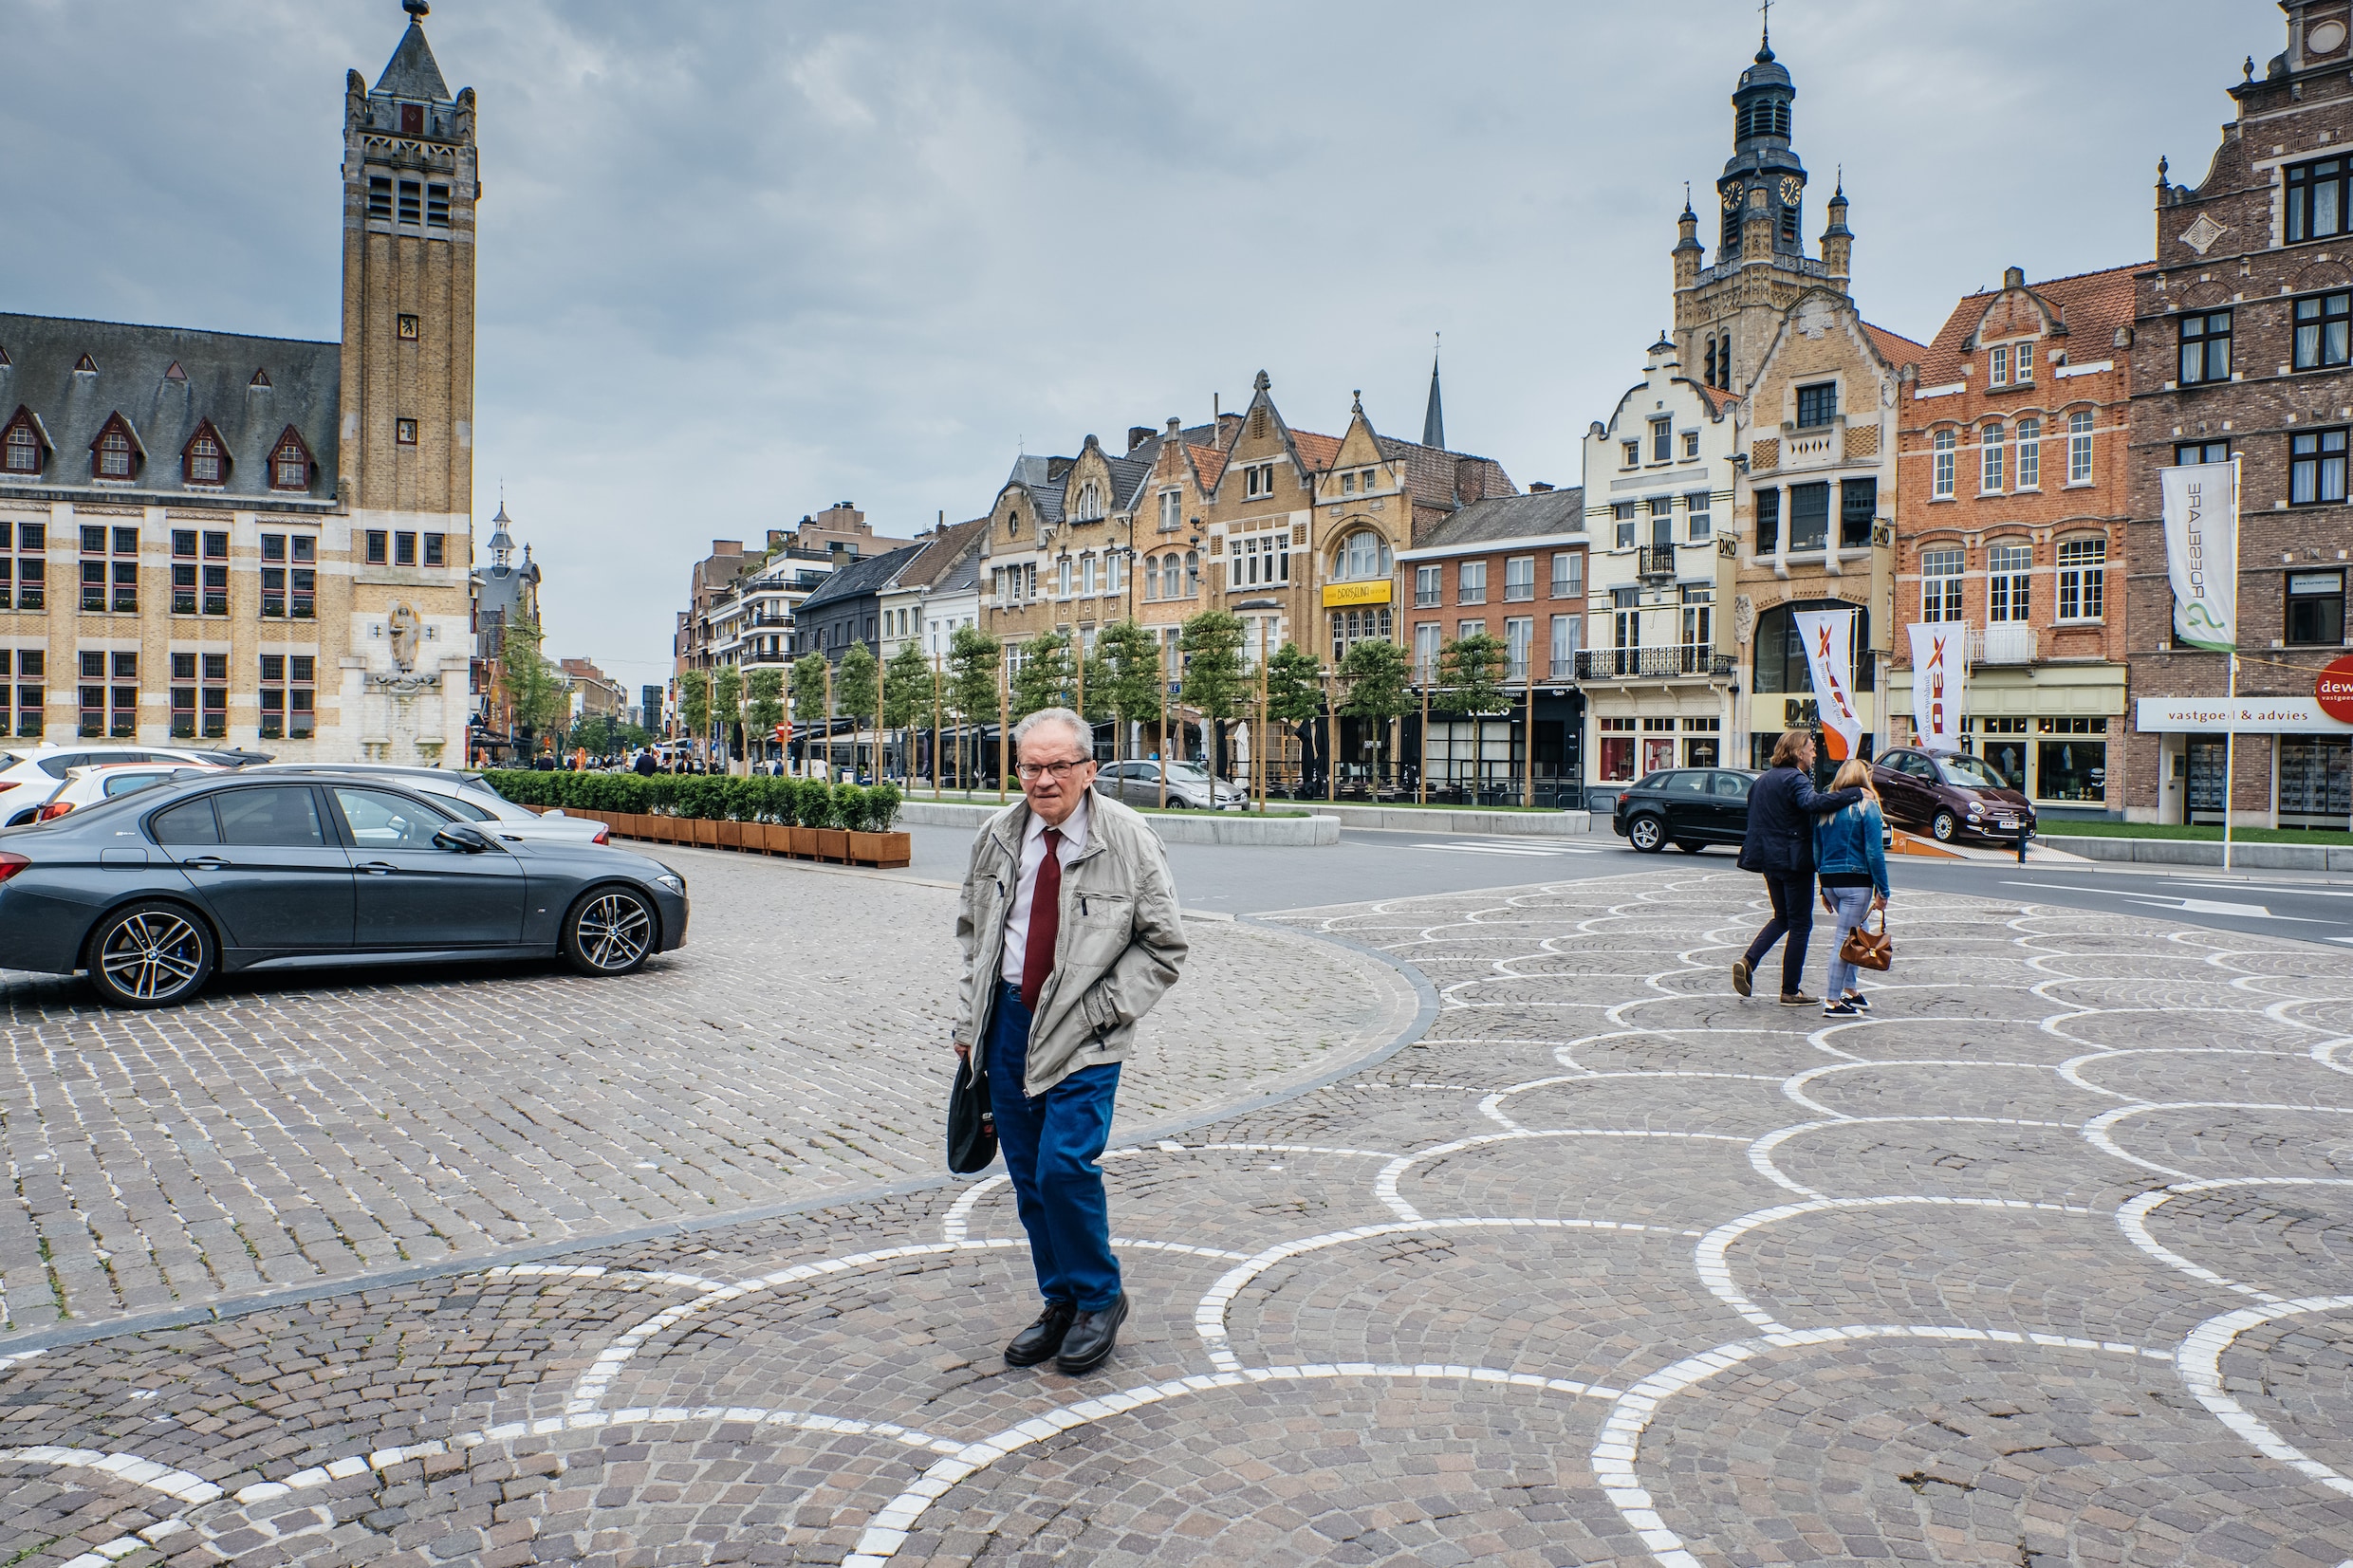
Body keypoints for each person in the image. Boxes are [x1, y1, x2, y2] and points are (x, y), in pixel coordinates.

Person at [954, 706, 1188, 1375]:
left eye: (1059, 765)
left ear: (1089, 770)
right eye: (1031, 765)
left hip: (1087, 1030)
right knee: (1028, 1177)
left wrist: (1104, 1010)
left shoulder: (1129, 839)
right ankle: (1059, 1300)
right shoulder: (998, 834)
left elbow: (1163, 946)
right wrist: (970, 1024)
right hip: (1007, 1022)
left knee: (1064, 1166)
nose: (1044, 778)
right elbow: (974, 932)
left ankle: (1099, 1297)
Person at [1733, 729, 1863, 1005]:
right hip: (1793, 861)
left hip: (1767, 860)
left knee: (1782, 917)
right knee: (1801, 924)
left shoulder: (1762, 781)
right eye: (1811, 748)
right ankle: (1790, 990)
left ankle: (1748, 961)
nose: (1814, 753)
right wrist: (1853, 794)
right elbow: (1812, 803)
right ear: (1797, 752)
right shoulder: (1795, 778)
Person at [1813, 758, 1891, 1017]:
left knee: (1858, 932)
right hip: (1856, 881)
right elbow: (1874, 852)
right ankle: (1833, 1001)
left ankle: (1851, 990)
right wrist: (1883, 889)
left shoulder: (1827, 808)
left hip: (1832, 880)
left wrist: (1823, 886)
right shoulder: (1866, 806)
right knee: (1844, 939)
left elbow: (1817, 849)